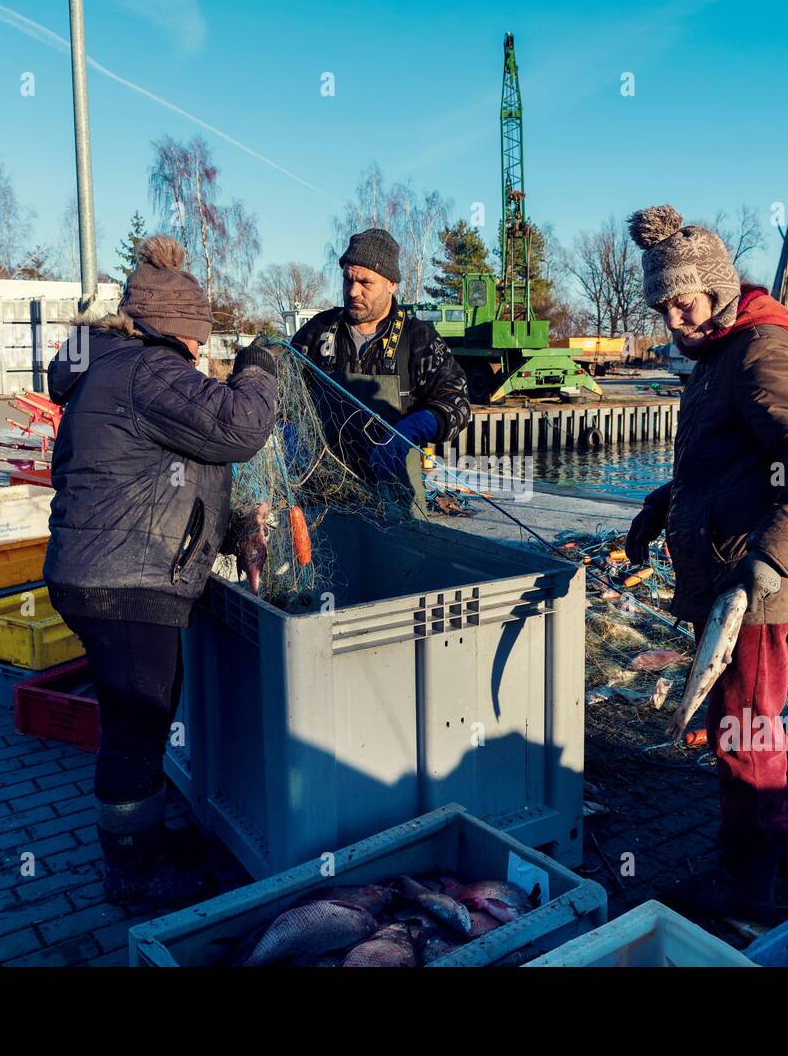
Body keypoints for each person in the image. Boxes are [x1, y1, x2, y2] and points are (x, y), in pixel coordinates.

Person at [622, 205, 788, 923]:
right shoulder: (720, 354)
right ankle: (782, 851)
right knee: (757, 723)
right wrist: (662, 503)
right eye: (663, 307)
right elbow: (728, 460)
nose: (673, 320)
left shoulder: (762, 351)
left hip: (754, 588)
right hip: (731, 576)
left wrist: (766, 564)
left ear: (718, 291)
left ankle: (747, 885)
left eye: (682, 302)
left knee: (741, 731)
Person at [44, 236, 279, 907]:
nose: (202, 355)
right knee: (136, 727)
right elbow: (238, 427)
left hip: (106, 573)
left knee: (141, 719)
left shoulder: (114, 367)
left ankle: (143, 844)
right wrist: (259, 369)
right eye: (198, 342)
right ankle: (133, 873)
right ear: (175, 331)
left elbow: (171, 478)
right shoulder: (149, 370)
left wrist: (233, 532)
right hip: (122, 583)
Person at [290, 228, 471, 517]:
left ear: (392, 284)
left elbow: (457, 402)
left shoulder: (418, 339)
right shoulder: (319, 331)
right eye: (348, 279)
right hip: (324, 497)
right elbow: (281, 383)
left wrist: (415, 427)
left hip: (395, 499)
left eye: (365, 282)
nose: (353, 291)